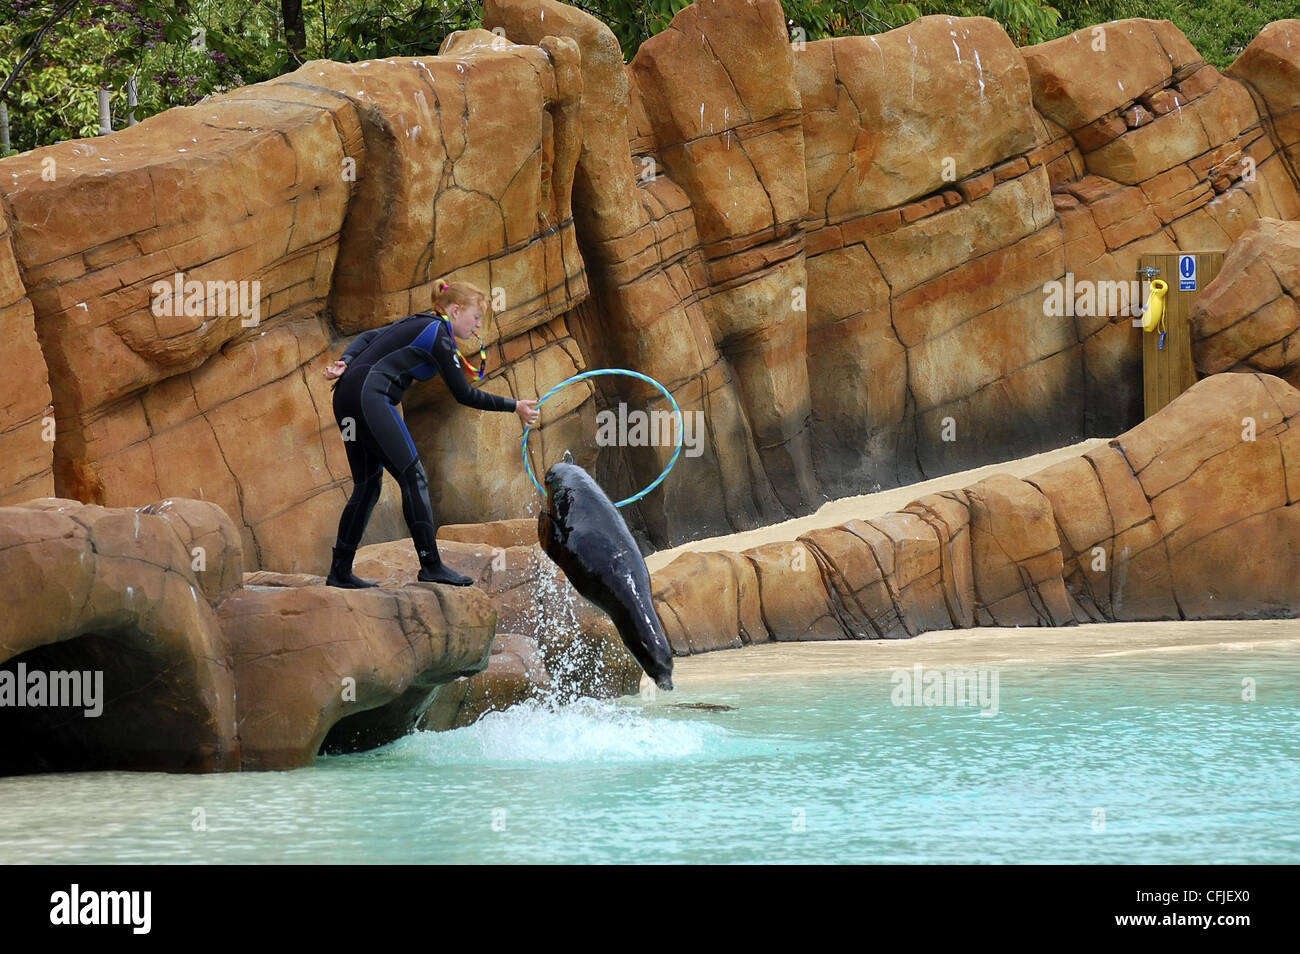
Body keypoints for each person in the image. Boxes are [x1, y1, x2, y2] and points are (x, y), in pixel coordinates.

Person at [321, 279, 540, 587]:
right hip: (369, 398)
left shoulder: (420, 322)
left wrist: (347, 360)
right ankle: (431, 565)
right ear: (455, 309)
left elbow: (370, 336)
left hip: (346, 396)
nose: (479, 325)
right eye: (476, 317)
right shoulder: (438, 335)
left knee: (368, 486)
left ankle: (339, 572)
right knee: (414, 477)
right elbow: (464, 394)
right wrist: (514, 405)